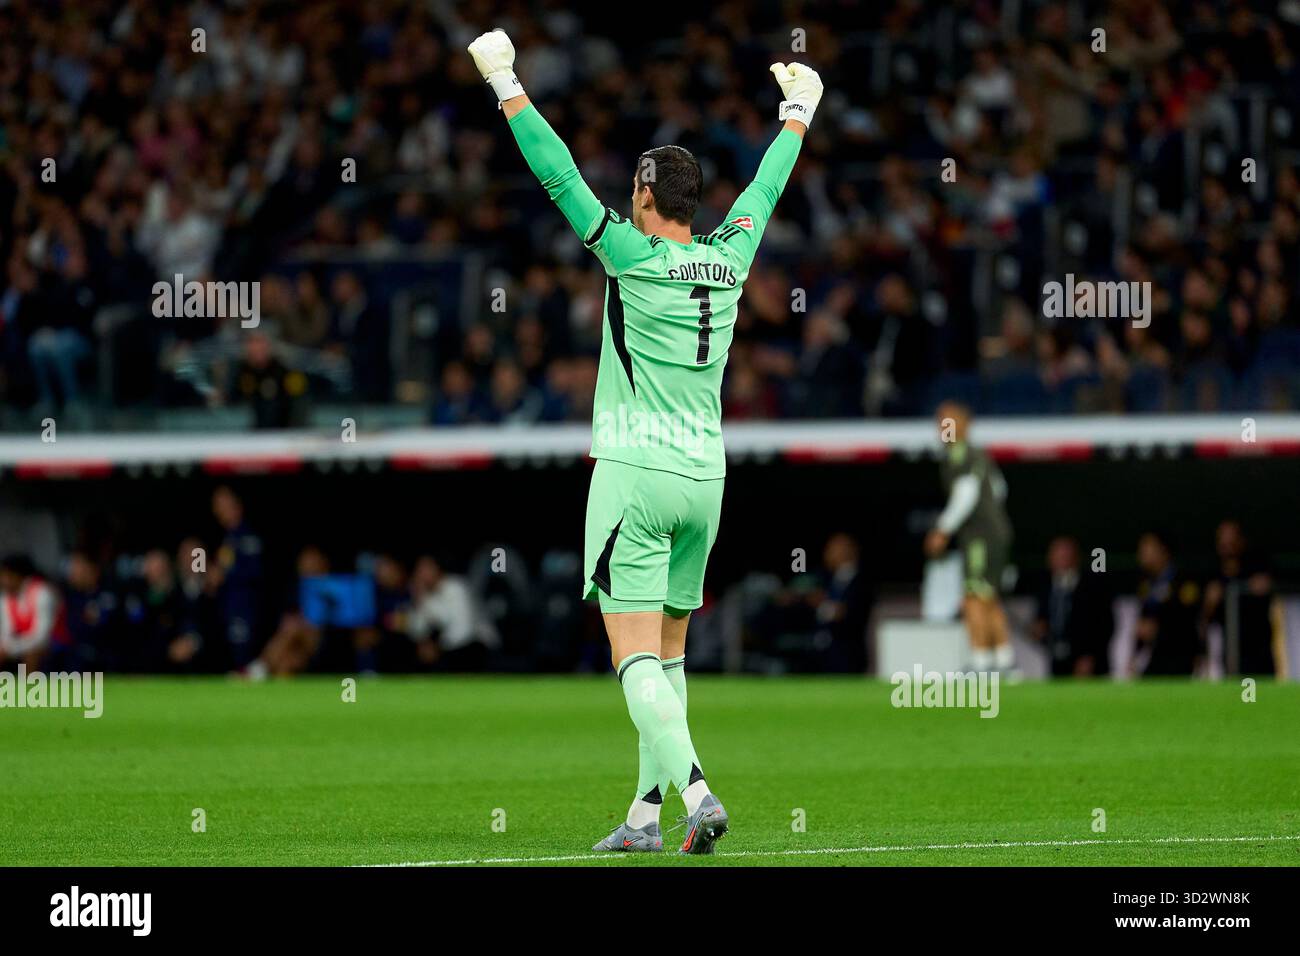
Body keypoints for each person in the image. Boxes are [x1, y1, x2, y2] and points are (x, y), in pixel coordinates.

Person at [468, 28, 822, 854]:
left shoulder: (627, 255)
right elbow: (766, 190)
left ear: (643, 195)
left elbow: (556, 174)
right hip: (706, 479)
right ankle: (643, 818)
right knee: (667, 657)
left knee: (630, 658)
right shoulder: (731, 257)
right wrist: (798, 112)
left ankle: (696, 791)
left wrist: (505, 81)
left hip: (634, 472)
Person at [924, 401, 1015, 672]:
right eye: (941, 423)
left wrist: (942, 529)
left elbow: (966, 493)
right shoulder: (979, 455)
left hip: (980, 537)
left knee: (973, 596)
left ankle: (980, 662)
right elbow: (1000, 489)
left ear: (964, 426)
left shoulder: (961, 455)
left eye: (949, 423)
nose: (943, 429)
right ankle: (1003, 661)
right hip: (994, 533)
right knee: (988, 597)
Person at [1202, 520, 1284, 677]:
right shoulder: (1213, 574)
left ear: (1241, 540)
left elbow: (1273, 586)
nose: (1227, 544)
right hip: (1228, 653)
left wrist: (1262, 586)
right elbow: (1206, 620)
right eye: (1223, 539)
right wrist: (1210, 602)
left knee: (1254, 698)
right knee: (1235, 696)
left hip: (1258, 651)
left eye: (1231, 539)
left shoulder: (1257, 565)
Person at [1032, 536, 1113, 677]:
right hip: (1058, 661)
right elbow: (1043, 617)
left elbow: (1104, 624)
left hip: (1087, 664)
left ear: (1075, 558)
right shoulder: (1046, 587)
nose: (1060, 561)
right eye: (1056, 556)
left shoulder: (1093, 586)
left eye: (1065, 556)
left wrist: (1090, 656)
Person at [1134, 530, 1202, 676]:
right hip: (1154, 658)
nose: (1142, 553)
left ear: (1162, 550)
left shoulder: (1184, 582)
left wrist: (1158, 629)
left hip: (1180, 658)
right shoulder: (1146, 585)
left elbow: (1188, 623)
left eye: (1147, 547)